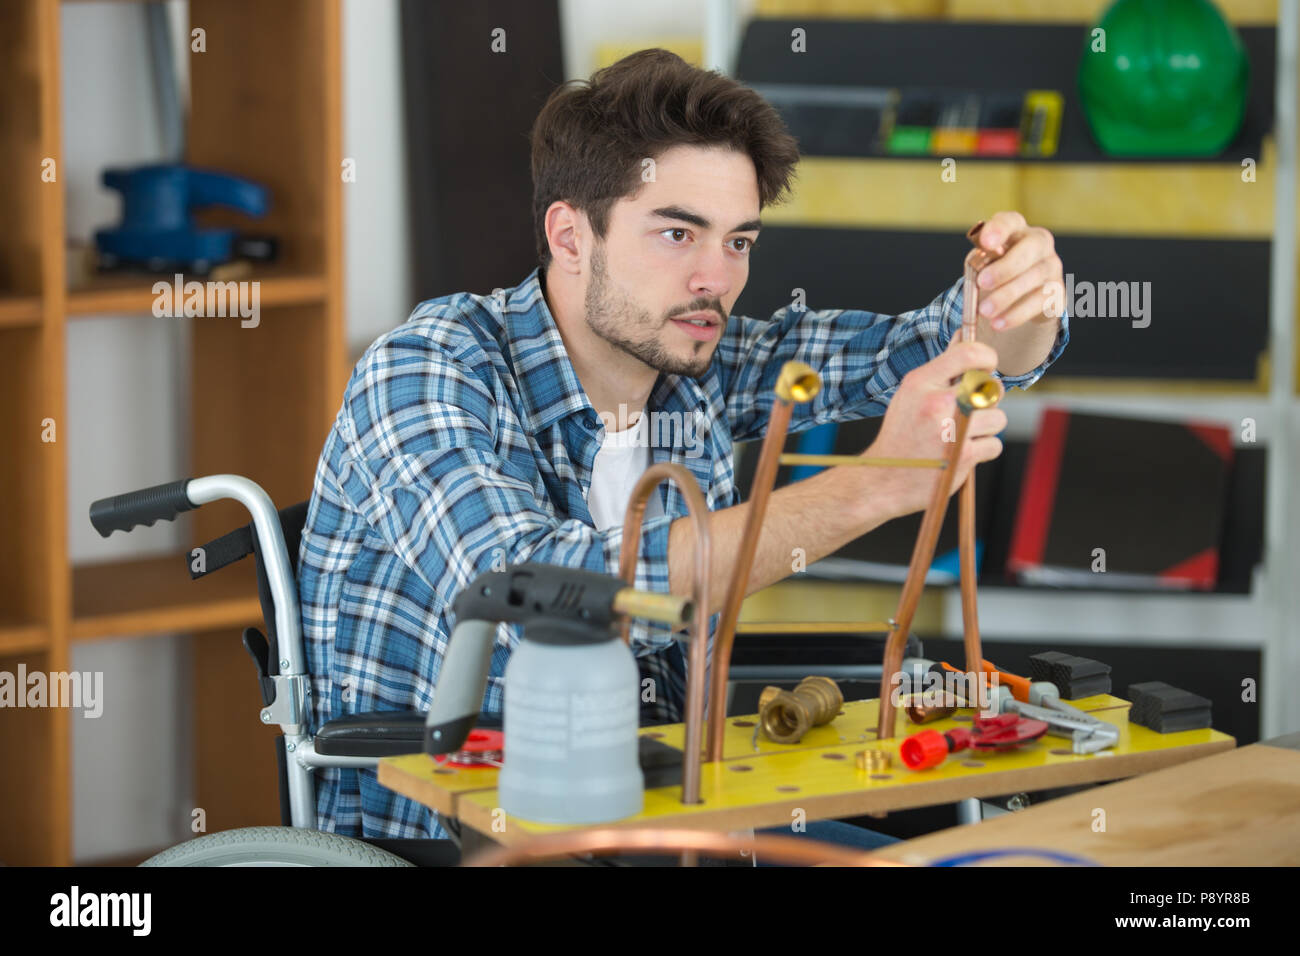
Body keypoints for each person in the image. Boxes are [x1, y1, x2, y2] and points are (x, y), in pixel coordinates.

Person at [297, 49, 1069, 842]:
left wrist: (1014, 297)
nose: (716, 279)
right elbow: (533, 601)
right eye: (677, 233)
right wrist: (877, 484)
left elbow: (929, 347)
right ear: (570, 235)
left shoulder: (692, 358)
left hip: (665, 810)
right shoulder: (429, 366)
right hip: (472, 836)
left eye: (739, 241)